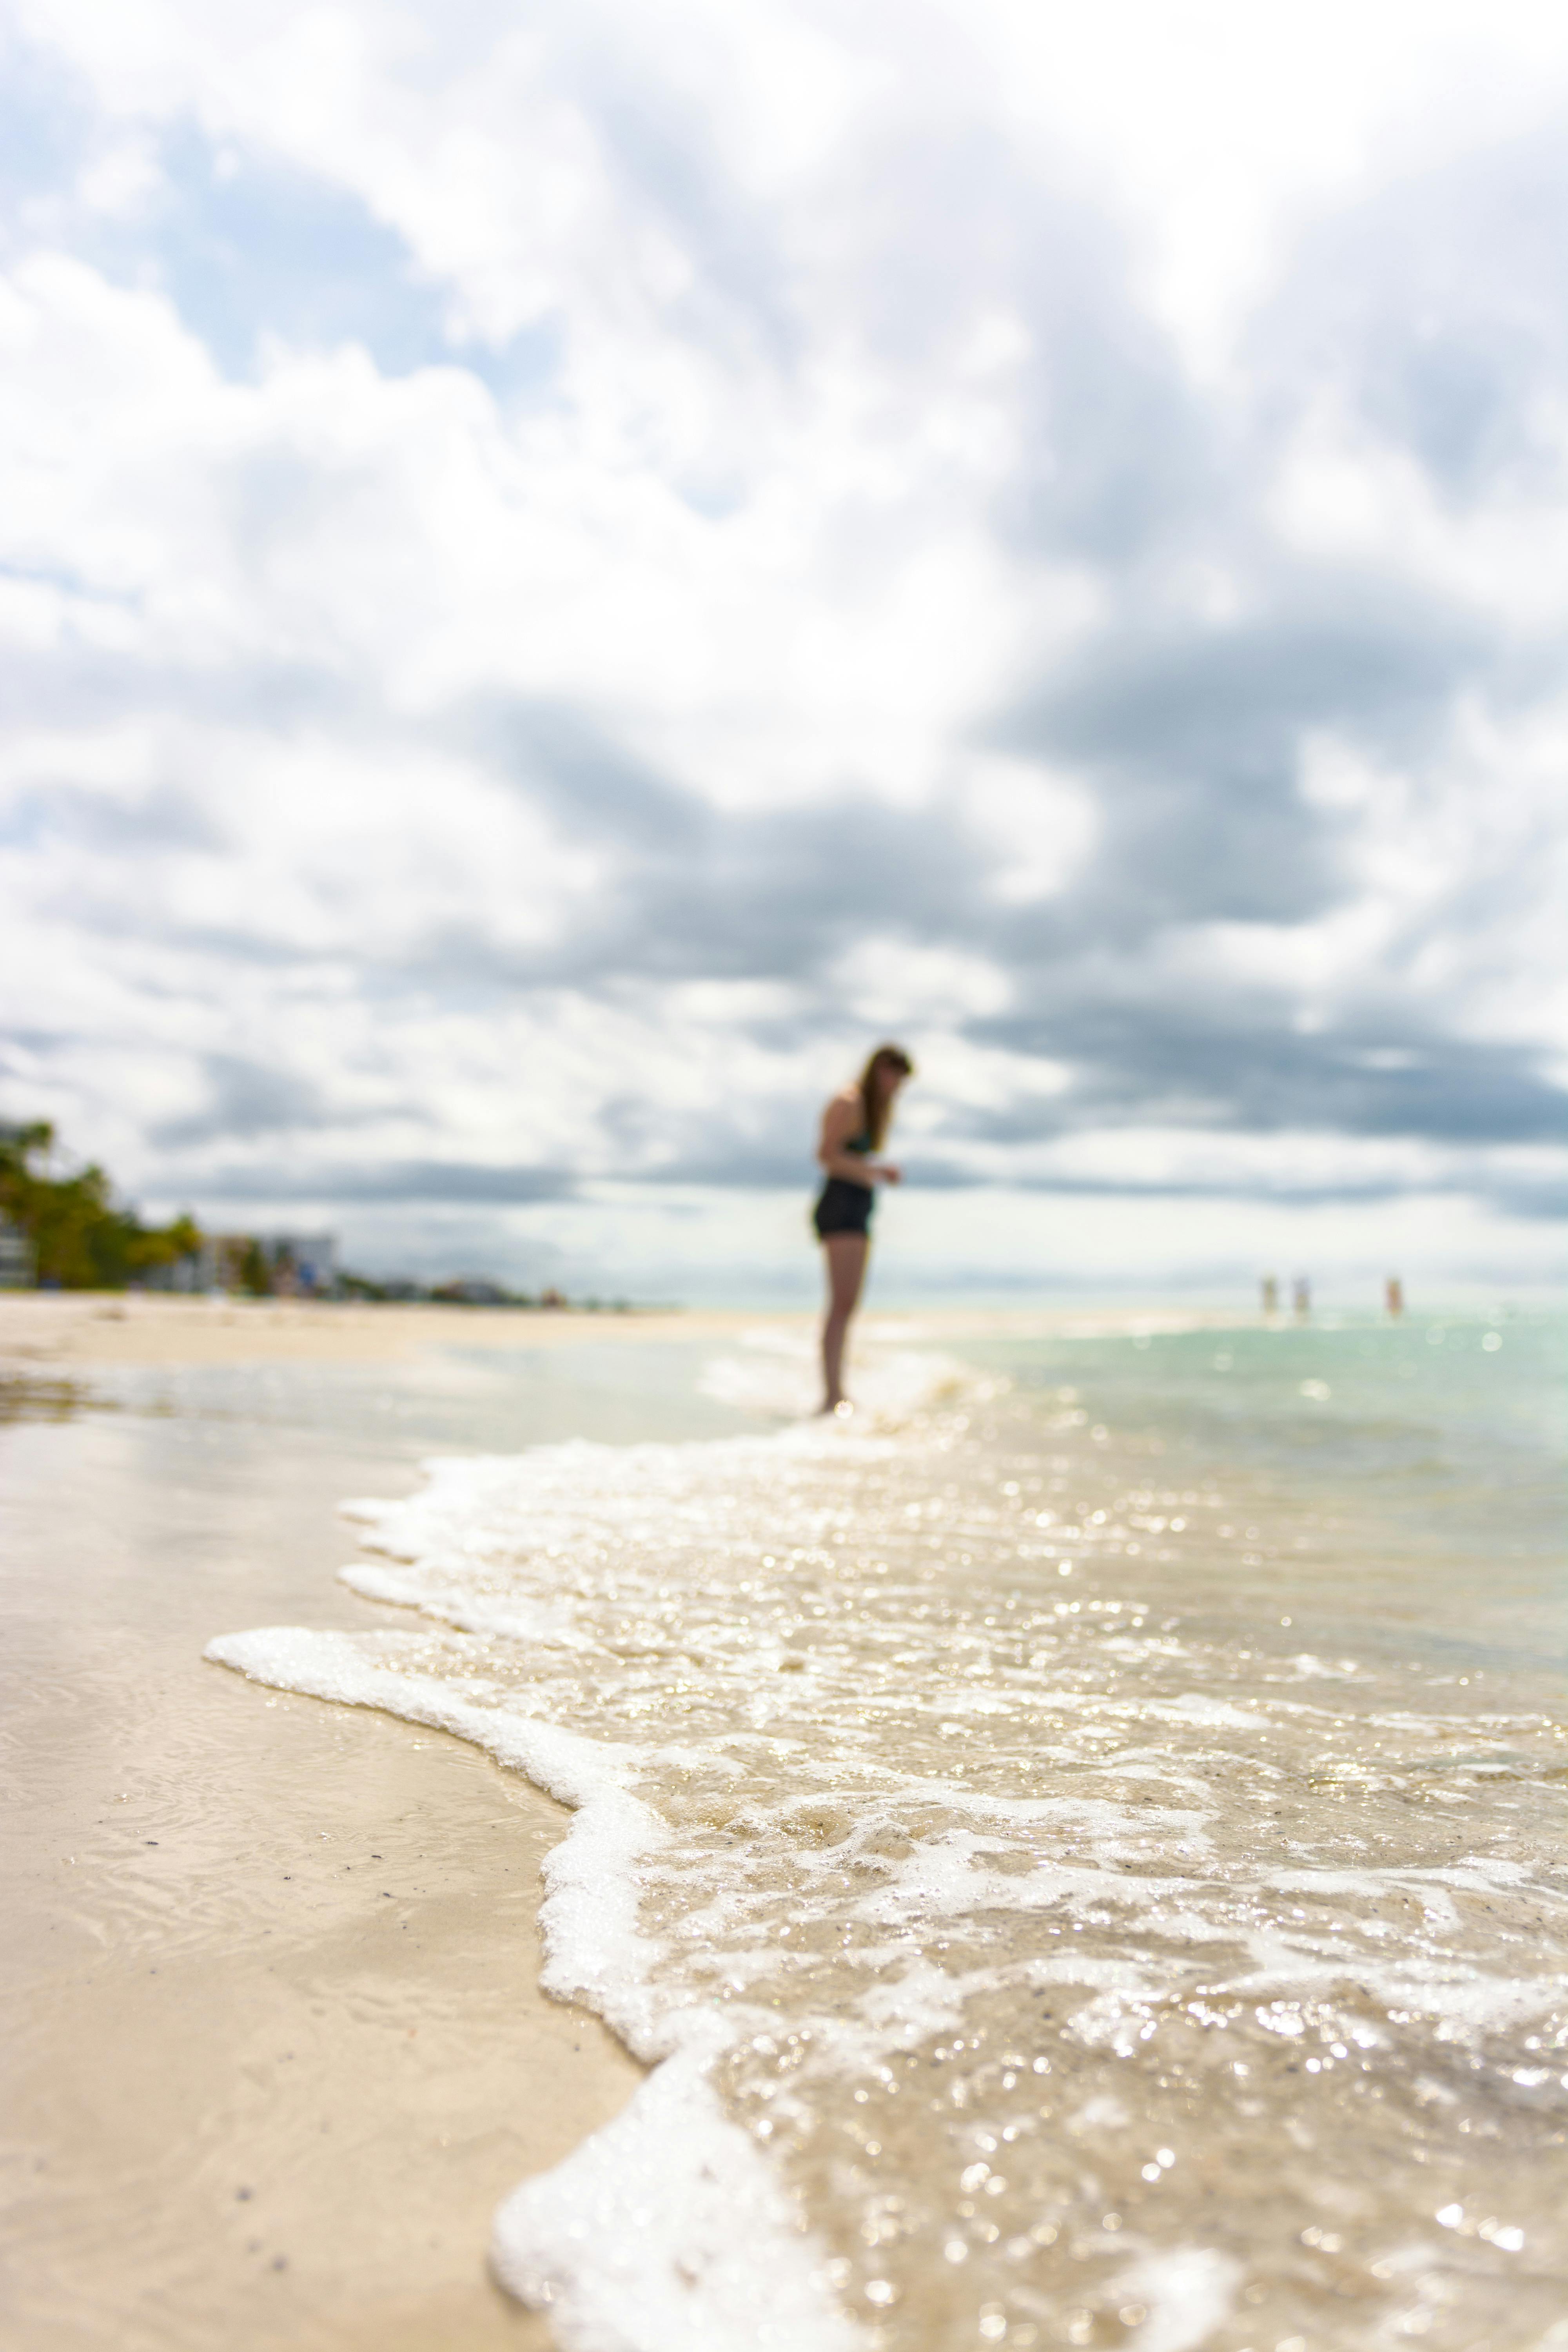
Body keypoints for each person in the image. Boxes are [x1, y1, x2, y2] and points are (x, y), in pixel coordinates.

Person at [811, 1043, 913, 1414]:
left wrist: (876, 1170)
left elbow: (847, 1156)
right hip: (841, 1205)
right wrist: (872, 1172)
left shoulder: (872, 1109)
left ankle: (838, 1389)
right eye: (891, 1074)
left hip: (857, 1205)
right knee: (840, 1304)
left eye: (899, 1079)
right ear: (876, 1069)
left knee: (849, 1304)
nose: (894, 1084)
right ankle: (831, 1394)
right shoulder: (850, 1101)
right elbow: (825, 1155)